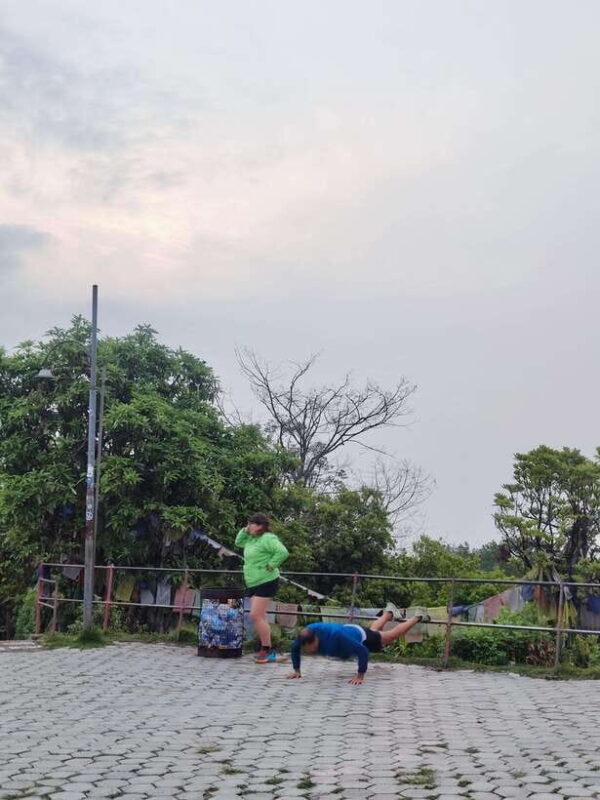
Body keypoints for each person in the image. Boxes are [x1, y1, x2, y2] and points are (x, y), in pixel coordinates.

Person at [287, 602, 431, 684]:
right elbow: (294, 649)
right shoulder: (304, 636)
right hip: (351, 630)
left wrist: (360, 675)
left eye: (310, 648)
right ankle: (389, 613)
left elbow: (363, 651)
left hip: (358, 635)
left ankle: (418, 616)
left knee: (390, 636)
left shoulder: (337, 637)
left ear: (316, 640)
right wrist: (297, 670)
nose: (310, 651)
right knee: (374, 630)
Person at [235, 513, 289, 663]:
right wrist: (245, 531)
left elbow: (283, 552)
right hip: (253, 582)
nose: (249, 526)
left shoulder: (268, 538)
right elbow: (238, 543)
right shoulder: (250, 539)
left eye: (251, 524)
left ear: (260, 526)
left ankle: (267, 650)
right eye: (248, 523)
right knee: (260, 617)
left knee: (255, 615)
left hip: (267, 580)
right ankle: (268, 649)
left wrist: (272, 565)